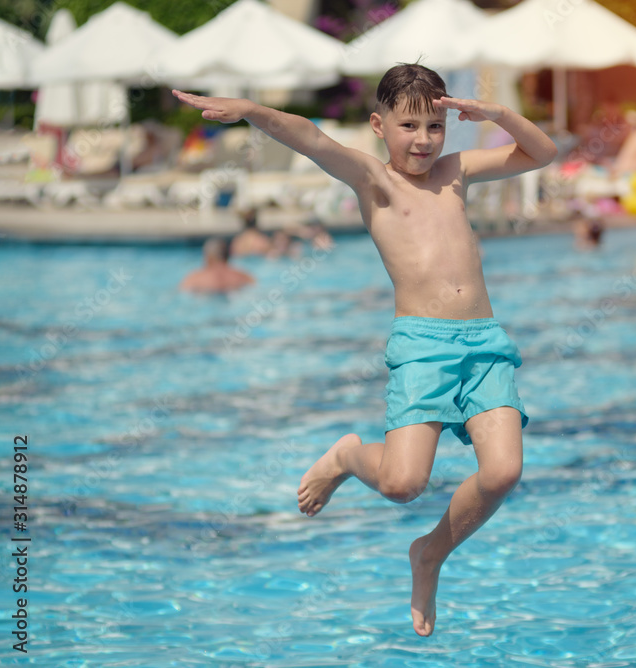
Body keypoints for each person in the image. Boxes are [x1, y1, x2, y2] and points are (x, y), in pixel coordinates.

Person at [173, 63, 557, 637]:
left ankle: (430, 553)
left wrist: (496, 115)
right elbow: (308, 137)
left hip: (483, 341)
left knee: (503, 470)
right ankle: (349, 456)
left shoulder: (456, 173)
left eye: (435, 127)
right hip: (424, 346)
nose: (423, 140)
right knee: (403, 485)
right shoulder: (373, 180)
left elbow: (543, 152)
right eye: (409, 126)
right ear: (379, 126)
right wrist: (252, 110)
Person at [179, 237, 255, 293]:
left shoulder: (194, 279)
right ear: (227, 256)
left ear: (208, 257)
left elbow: (181, 293)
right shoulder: (244, 277)